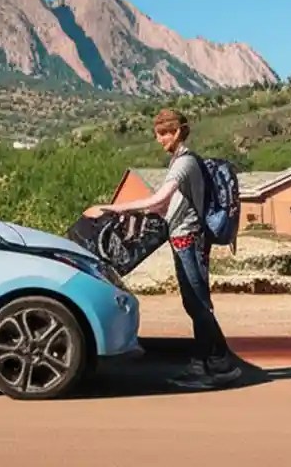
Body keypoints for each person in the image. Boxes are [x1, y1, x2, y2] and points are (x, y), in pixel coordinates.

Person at [81, 108, 241, 389]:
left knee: (198, 305)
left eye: (164, 133)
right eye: (157, 134)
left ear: (177, 132)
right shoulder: (181, 161)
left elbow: (159, 199)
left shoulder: (184, 163)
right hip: (185, 239)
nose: (160, 140)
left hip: (189, 240)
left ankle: (206, 366)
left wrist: (109, 208)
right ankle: (220, 362)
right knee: (196, 303)